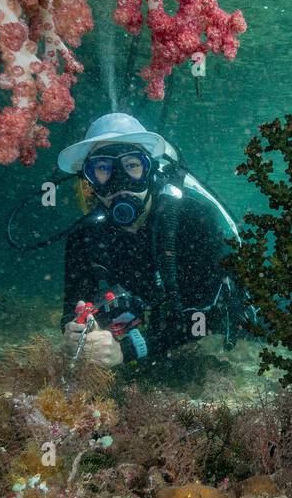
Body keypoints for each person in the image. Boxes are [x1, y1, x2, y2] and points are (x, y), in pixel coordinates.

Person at [56, 113, 249, 369]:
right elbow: (73, 306)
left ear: (149, 170)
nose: (119, 182)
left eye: (132, 166)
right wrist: (75, 330)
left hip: (213, 336)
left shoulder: (192, 219)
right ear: (89, 181)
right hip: (158, 327)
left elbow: (206, 319)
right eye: (103, 168)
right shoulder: (85, 235)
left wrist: (126, 349)